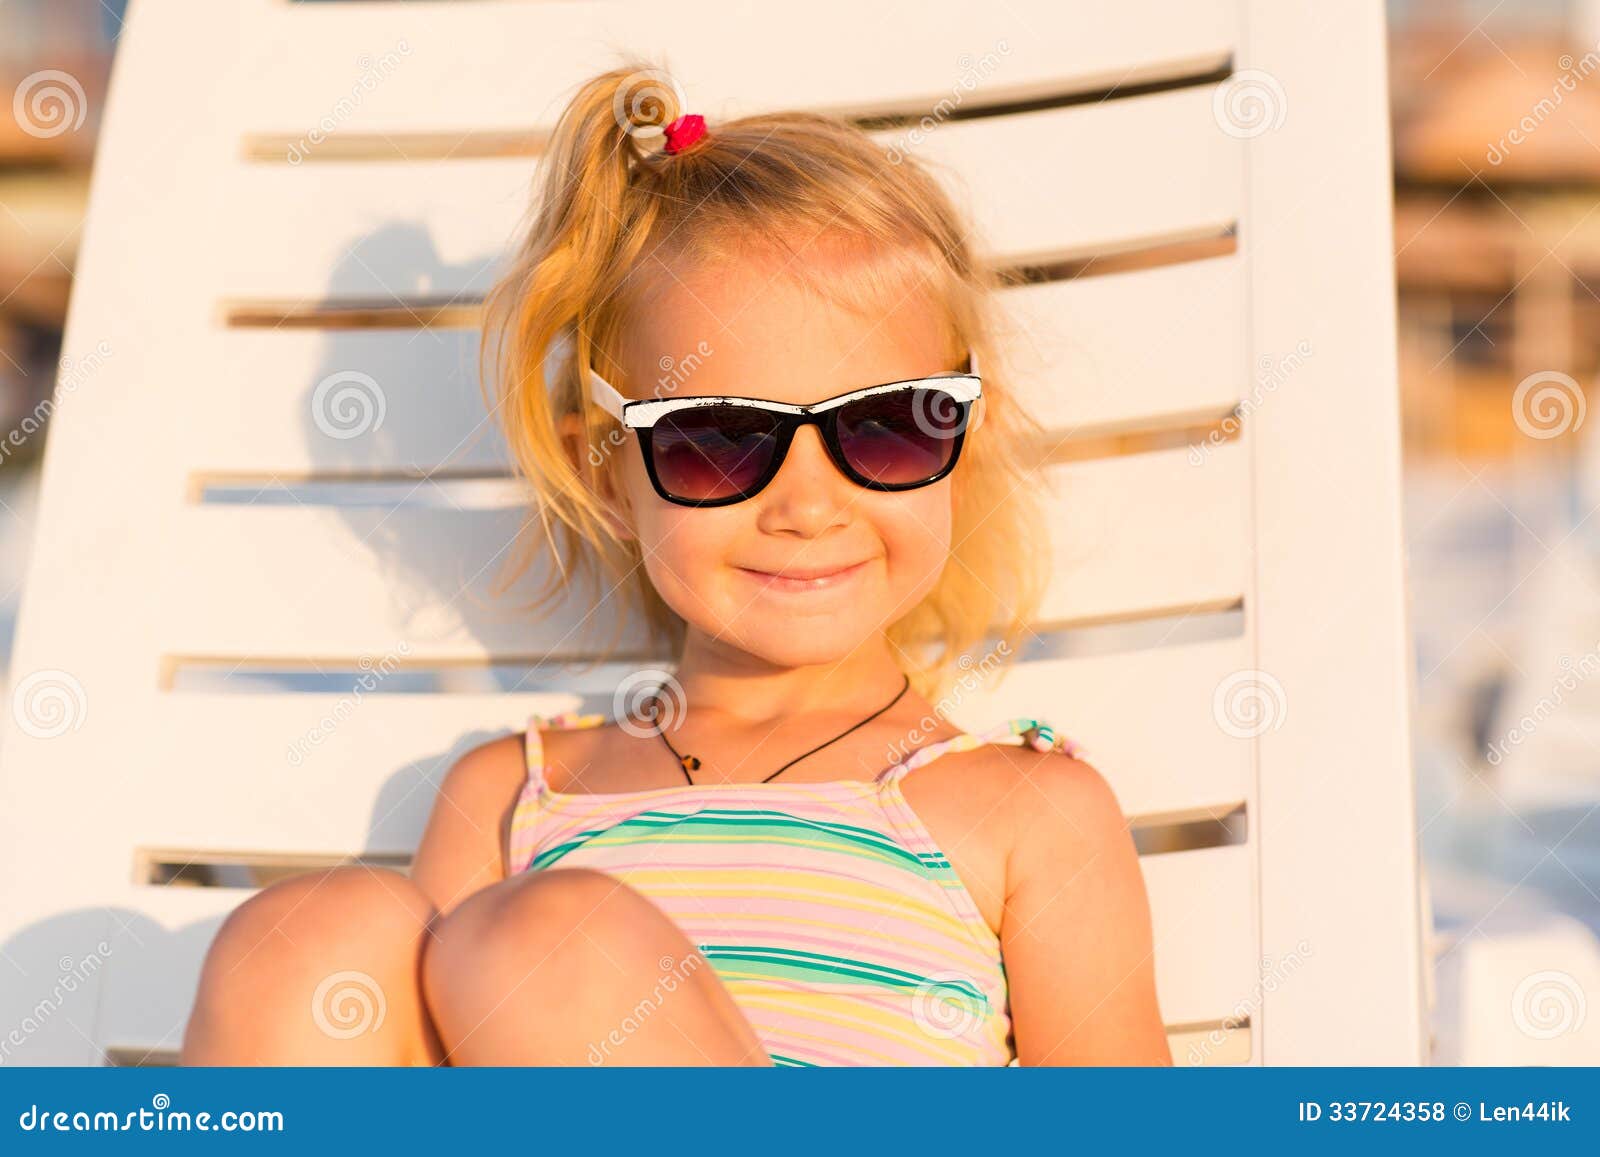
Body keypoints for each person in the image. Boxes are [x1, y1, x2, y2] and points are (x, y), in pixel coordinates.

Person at [182, 62, 1170, 1067]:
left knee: (552, 943)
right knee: (309, 934)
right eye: (720, 440)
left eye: (884, 426)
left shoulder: (1023, 811)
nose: (808, 502)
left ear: (965, 437)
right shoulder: (506, 798)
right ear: (606, 473)